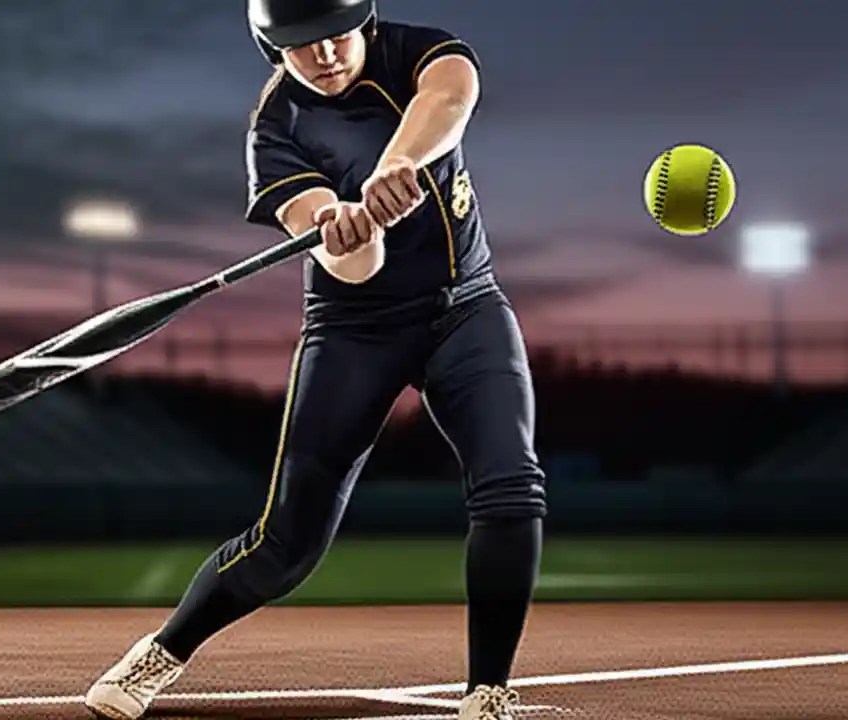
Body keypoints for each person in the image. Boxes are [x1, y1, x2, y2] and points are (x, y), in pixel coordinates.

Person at [83, 2, 547, 719]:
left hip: (466, 306)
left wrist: (396, 166)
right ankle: (163, 651)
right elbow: (354, 267)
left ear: (364, 21)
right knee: (287, 544)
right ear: (273, 48)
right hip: (354, 328)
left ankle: (487, 691)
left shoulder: (419, 51)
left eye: (337, 35)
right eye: (302, 45)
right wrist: (346, 227)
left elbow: (450, 98)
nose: (326, 54)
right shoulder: (276, 130)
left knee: (511, 482)